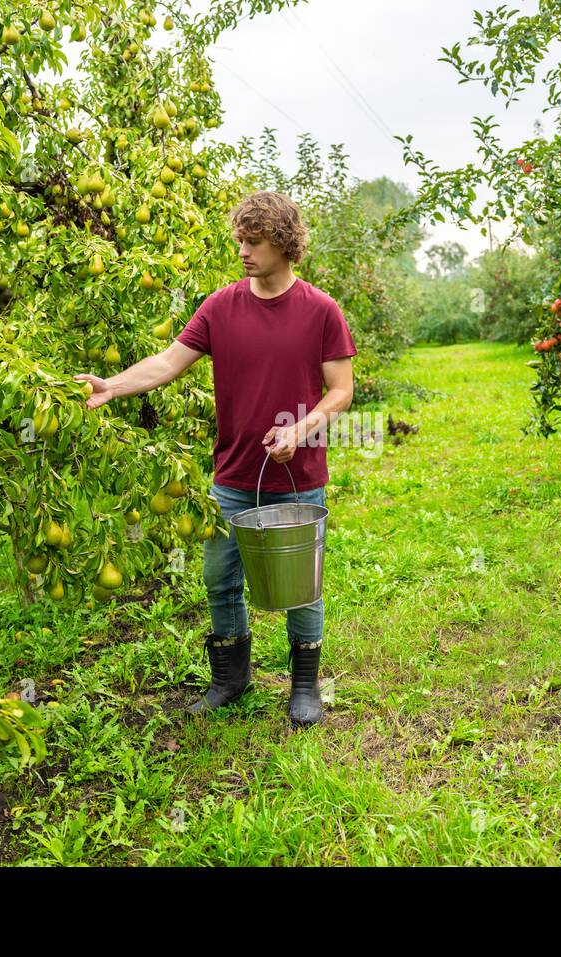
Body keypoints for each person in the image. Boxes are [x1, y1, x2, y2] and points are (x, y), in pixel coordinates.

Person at [75, 190, 355, 727]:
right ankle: (231, 677)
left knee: (301, 582)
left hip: (299, 474)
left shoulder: (321, 310)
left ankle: (303, 686)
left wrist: (302, 428)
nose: (244, 252)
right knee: (220, 576)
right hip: (232, 475)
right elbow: (167, 362)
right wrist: (112, 385)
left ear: (282, 242)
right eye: (240, 241)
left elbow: (341, 390)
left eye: (253, 242)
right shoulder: (221, 306)